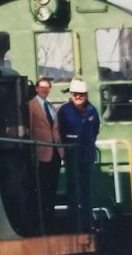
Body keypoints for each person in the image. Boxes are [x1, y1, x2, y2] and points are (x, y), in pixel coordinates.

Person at [57, 78, 100, 231]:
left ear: (86, 95)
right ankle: (74, 224)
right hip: (72, 155)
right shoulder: (64, 111)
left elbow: (95, 130)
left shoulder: (92, 111)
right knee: (74, 189)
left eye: (81, 94)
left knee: (87, 190)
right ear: (71, 94)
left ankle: (88, 223)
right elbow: (60, 131)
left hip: (87, 155)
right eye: (75, 94)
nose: (78, 97)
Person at [28, 77, 63, 233]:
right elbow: (29, 129)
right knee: (42, 189)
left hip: (55, 152)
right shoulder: (31, 106)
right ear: (36, 89)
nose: (44, 90)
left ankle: (51, 220)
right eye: (42, 87)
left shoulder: (50, 107)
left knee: (52, 188)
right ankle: (43, 224)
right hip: (41, 153)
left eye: (47, 87)